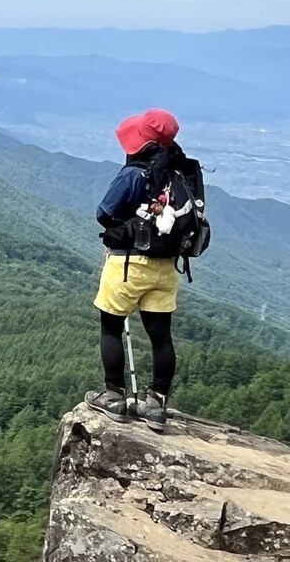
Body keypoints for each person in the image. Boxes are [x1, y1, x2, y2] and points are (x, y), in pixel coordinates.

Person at [84, 108, 197, 429]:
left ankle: (113, 397)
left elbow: (104, 212)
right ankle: (157, 405)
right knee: (161, 336)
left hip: (127, 264)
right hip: (166, 268)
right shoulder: (181, 175)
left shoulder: (136, 174)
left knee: (111, 328)